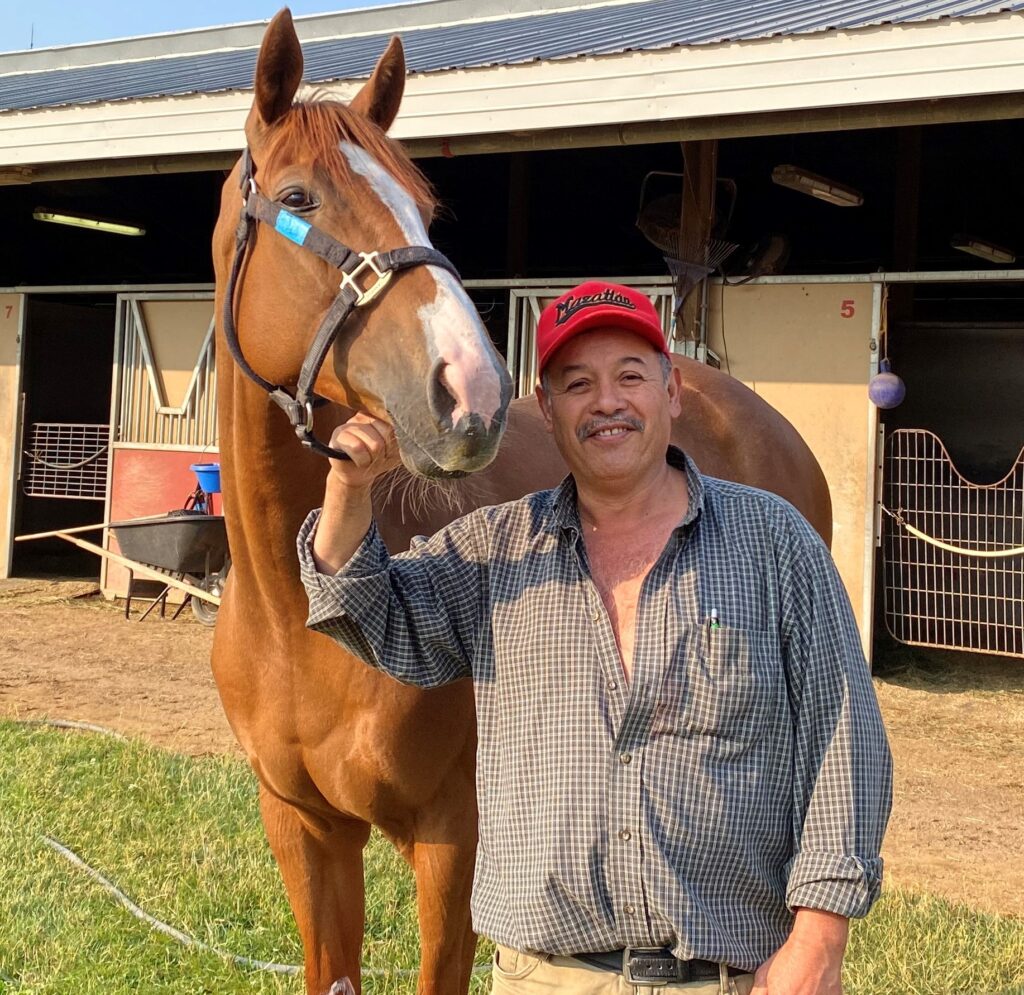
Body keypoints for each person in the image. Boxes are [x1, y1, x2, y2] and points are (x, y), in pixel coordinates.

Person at [297, 280, 892, 995]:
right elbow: (365, 611)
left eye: (630, 376)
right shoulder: (496, 551)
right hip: (547, 977)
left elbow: (844, 734)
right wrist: (348, 490)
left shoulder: (775, 544)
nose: (606, 401)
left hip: (736, 977)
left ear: (671, 392)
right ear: (547, 412)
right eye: (577, 383)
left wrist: (821, 937)